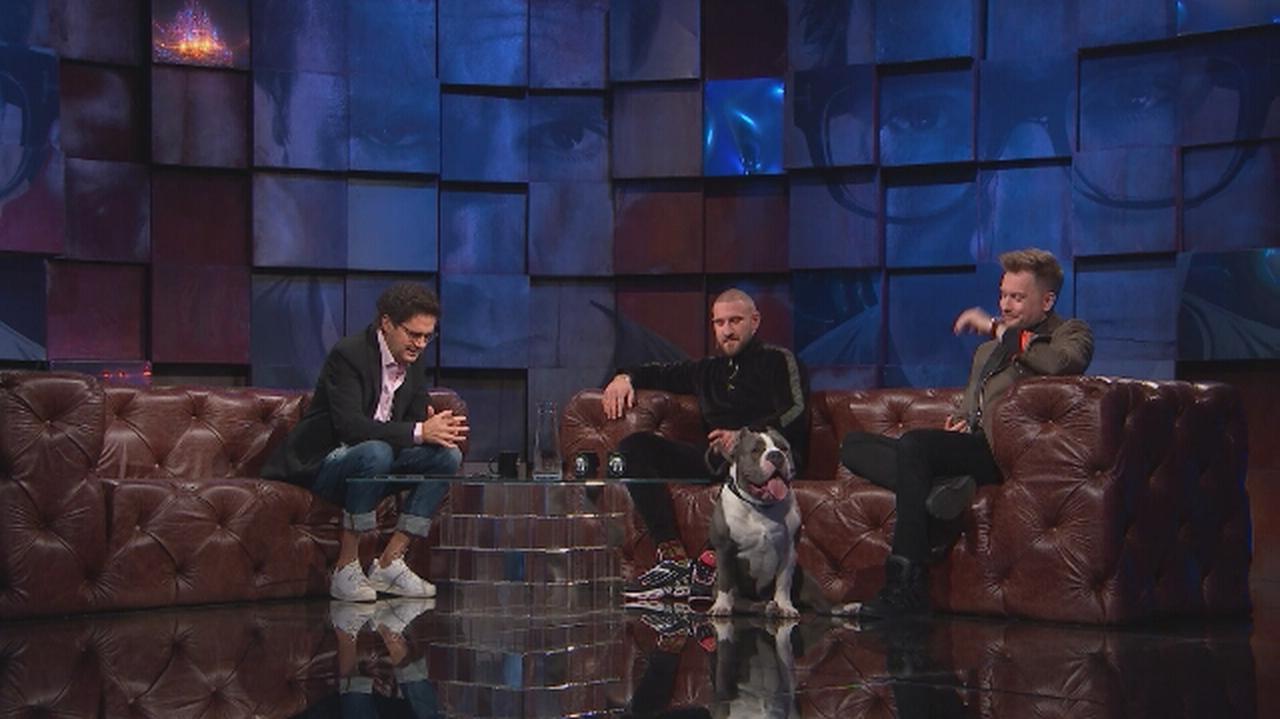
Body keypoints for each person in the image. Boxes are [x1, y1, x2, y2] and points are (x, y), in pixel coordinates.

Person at [840, 248, 1093, 618]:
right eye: (1002, 295)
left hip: (1011, 452)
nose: (1004, 305)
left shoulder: (1069, 333)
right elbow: (971, 399)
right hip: (973, 444)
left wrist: (997, 329)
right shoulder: (988, 351)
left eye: (1017, 297)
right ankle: (940, 488)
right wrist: (958, 419)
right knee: (853, 445)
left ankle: (905, 586)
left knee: (913, 445)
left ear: (1047, 300)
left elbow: (1059, 364)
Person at [262, 282, 469, 602]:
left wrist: (434, 426)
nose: (420, 344)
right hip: (328, 463)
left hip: (378, 463)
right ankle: (346, 568)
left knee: (447, 457)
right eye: (413, 334)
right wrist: (418, 430)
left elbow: (411, 420)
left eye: (427, 337)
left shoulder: (413, 361)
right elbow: (351, 428)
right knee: (376, 451)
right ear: (386, 323)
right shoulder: (349, 355)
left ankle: (389, 563)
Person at [602, 289, 809, 604]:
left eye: (735, 321)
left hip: (764, 459)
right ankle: (673, 562)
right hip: (716, 457)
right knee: (635, 447)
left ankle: (711, 567)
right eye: (719, 323)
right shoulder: (708, 370)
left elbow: (795, 411)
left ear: (755, 321)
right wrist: (625, 377)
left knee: (745, 466)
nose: (727, 330)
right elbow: (659, 372)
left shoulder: (778, 360)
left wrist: (745, 438)